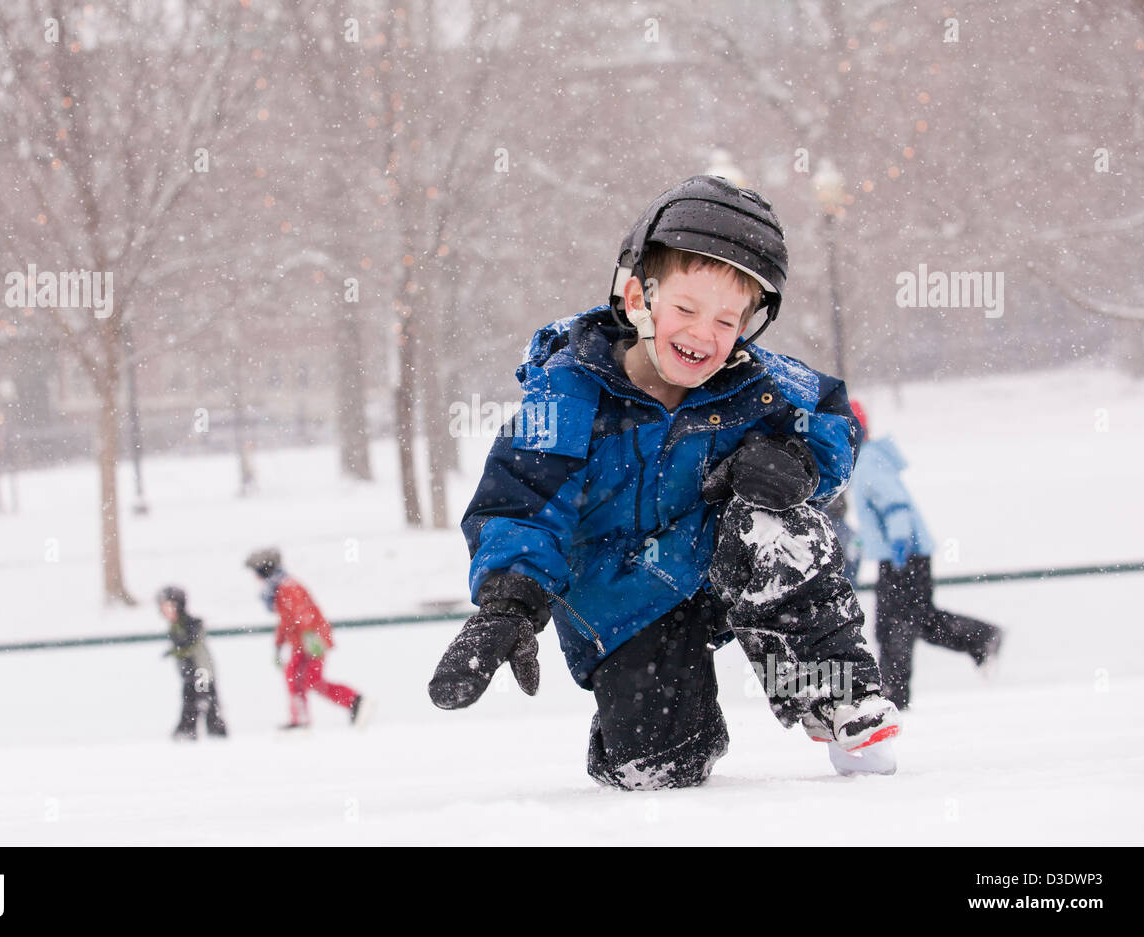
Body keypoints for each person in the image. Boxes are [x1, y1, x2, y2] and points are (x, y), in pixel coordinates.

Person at [428, 175, 900, 790]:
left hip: (724, 557)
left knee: (770, 525)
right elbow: (522, 499)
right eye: (685, 308)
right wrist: (510, 604)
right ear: (636, 298)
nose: (705, 334)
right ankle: (655, 735)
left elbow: (834, 416)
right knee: (660, 768)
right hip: (627, 598)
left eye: (728, 320)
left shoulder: (755, 384)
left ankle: (835, 691)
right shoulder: (568, 397)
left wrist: (800, 461)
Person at [847, 399, 1003, 710]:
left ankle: (894, 695)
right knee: (914, 620)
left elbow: (895, 507)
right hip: (900, 555)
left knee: (896, 626)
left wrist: (901, 543)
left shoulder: (867, 464)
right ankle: (981, 638)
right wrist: (864, 545)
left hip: (903, 556)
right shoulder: (866, 461)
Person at [245, 548, 370, 729]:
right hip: (301, 642)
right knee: (293, 677)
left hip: (312, 640)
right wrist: (278, 645)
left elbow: (302, 614)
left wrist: (310, 636)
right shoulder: (279, 589)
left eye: (256, 573)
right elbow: (285, 621)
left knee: (311, 679)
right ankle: (300, 718)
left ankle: (355, 701)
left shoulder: (288, 587)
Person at [157, 585, 227, 740]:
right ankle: (189, 729)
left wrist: (177, 651)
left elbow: (190, 645)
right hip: (190, 672)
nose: (166, 611)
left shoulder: (190, 623)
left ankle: (204, 730)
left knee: (203, 700)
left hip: (201, 671)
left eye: (169, 606)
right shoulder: (175, 626)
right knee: (191, 698)